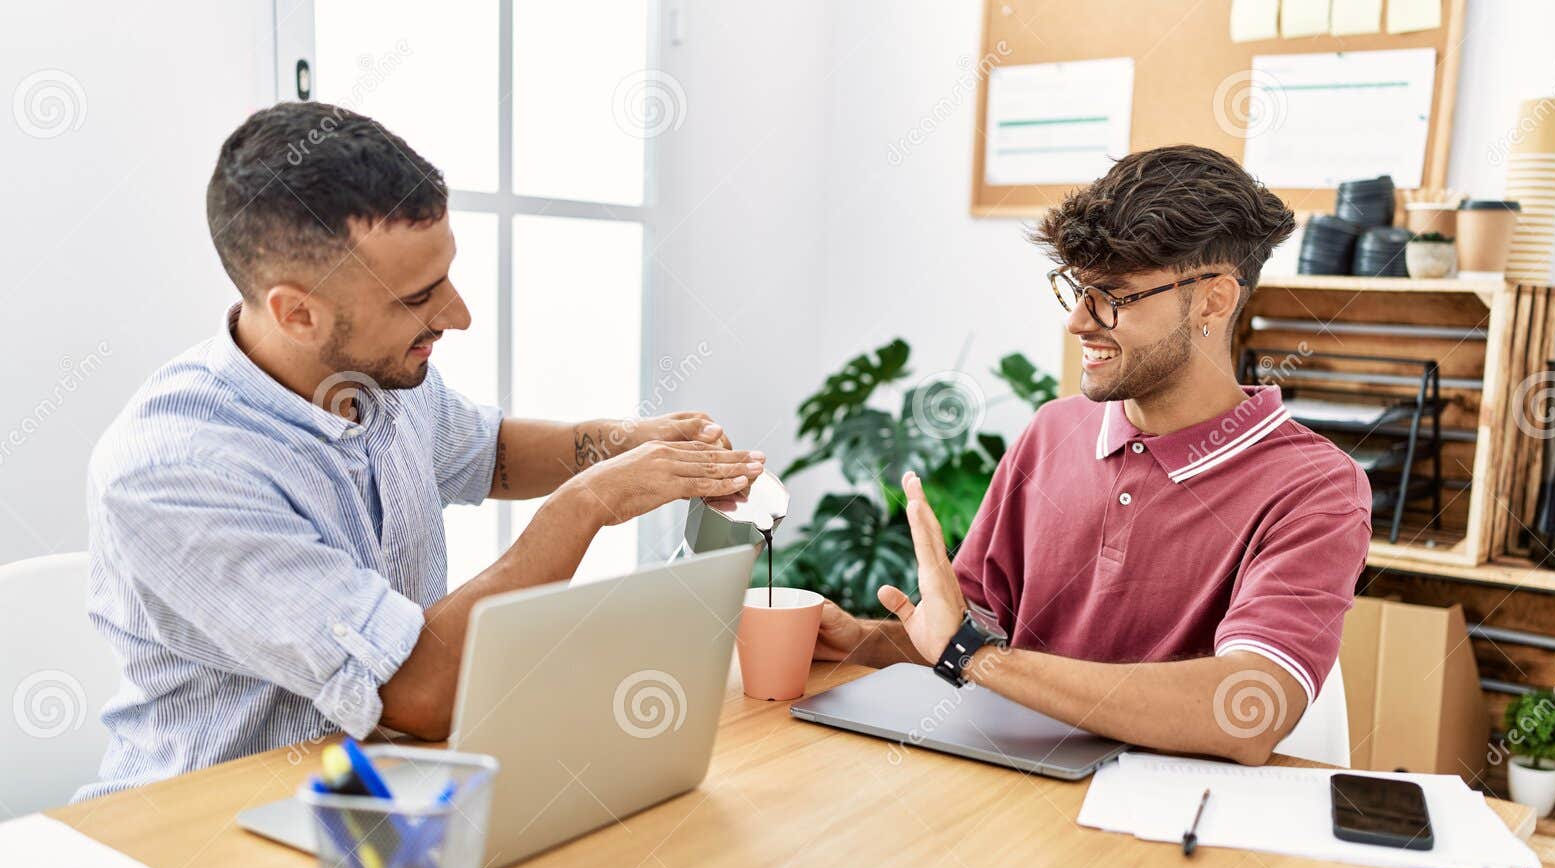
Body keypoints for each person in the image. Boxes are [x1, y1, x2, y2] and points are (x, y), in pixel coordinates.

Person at [80, 102, 764, 797]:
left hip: (381, 790)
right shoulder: (174, 470)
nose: (458, 314)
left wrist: (627, 443)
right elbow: (421, 693)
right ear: (298, 314)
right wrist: (589, 502)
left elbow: (491, 453)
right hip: (200, 834)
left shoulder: (373, 377)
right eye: (419, 297)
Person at [815, 145, 1372, 764]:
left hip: (1164, 828)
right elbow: (972, 637)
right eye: (1078, 290)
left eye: (1115, 296)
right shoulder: (1053, 430)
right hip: (1007, 790)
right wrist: (863, 641)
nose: (1079, 322)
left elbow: (1247, 711)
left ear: (1214, 300)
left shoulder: (1315, 486)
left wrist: (971, 655)